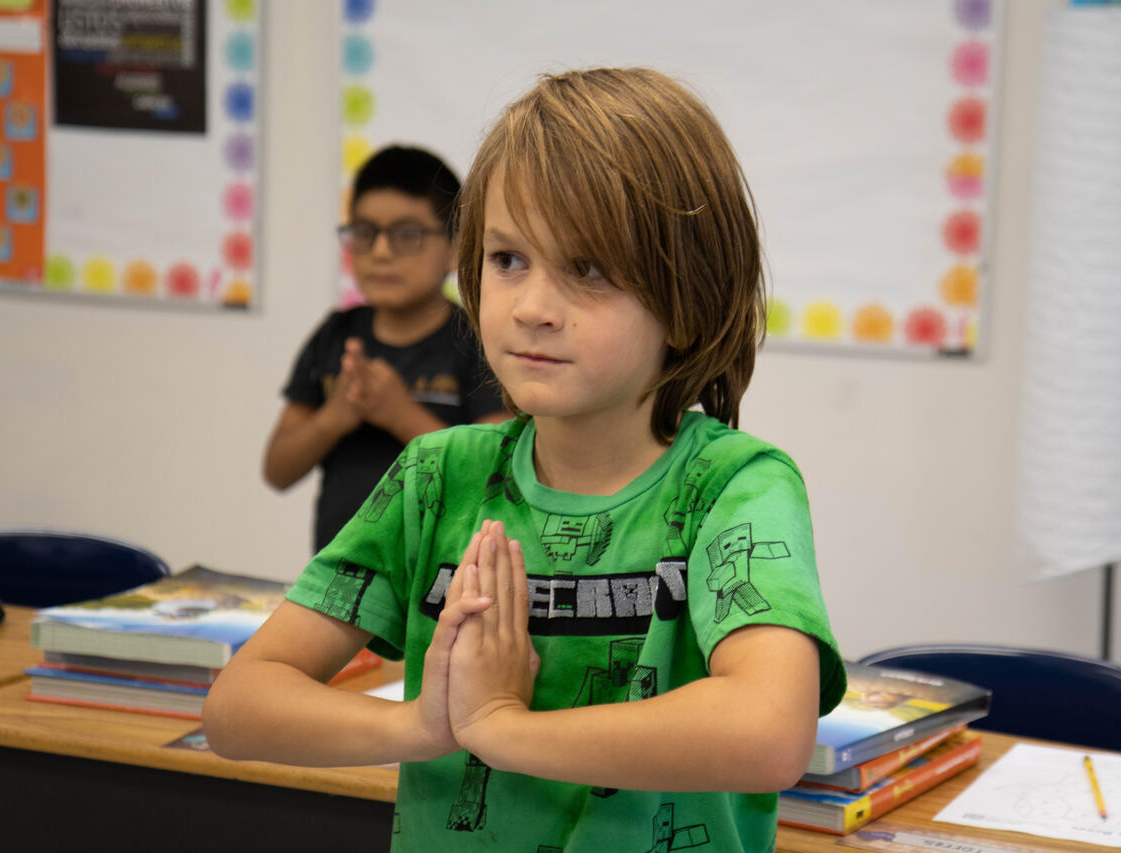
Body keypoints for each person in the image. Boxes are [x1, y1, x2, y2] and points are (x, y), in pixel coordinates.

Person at [206, 68, 846, 851]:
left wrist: (500, 728)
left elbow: (770, 731)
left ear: (686, 294)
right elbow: (237, 707)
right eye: (508, 259)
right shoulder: (436, 475)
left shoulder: (735, 486)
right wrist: (423, 723)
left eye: (588, 269)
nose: (534, 306)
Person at [262, 145, 507, 553]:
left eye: (407, 234)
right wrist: (335, 417)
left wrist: (400, 414)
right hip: (336, 579)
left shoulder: (477, 341)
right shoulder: (335, 335)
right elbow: (278, 469)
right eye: (364, 232)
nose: (379, 252)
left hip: (439, 584)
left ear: (455, 247)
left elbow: (495, 477)